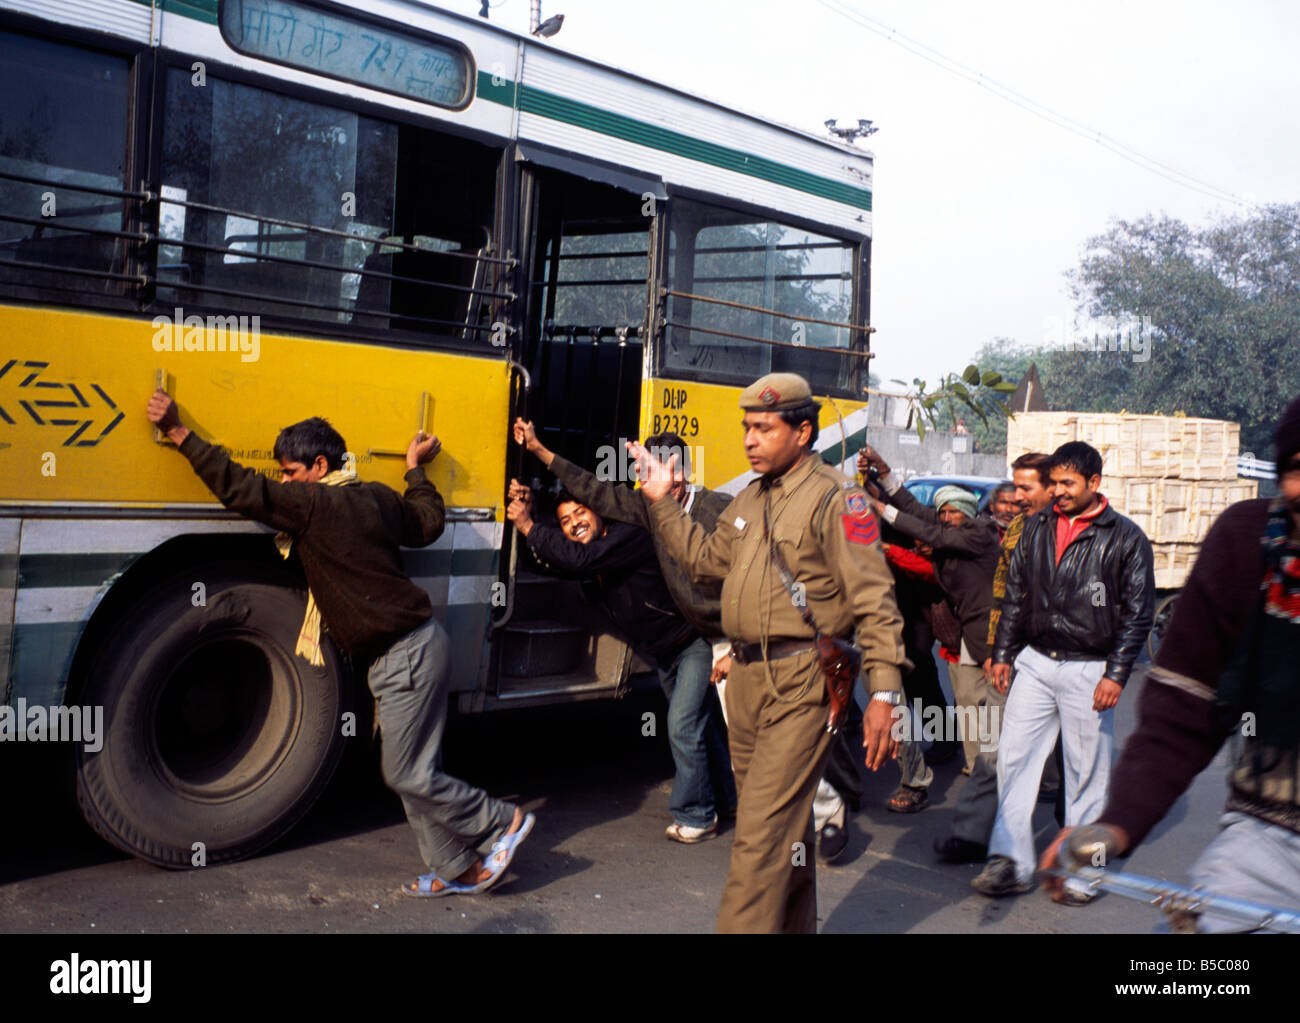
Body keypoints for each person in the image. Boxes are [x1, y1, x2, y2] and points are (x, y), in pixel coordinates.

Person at [144, 390, 533, 898]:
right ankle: (456, 868)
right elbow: (426, 520)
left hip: (406, 655)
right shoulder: (373, 496)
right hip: (410, 650)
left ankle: (501, 821)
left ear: (318, 466)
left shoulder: (314, 505)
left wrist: (178, 431)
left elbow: (241, 488)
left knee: (404, 772)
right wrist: (416, 470)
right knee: (414, 769)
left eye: (289, 472)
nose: (284, 482)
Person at [630, 372, 908, 934]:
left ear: (803, 431)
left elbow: (875, 598)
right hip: (749, 679)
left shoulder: (840, 498)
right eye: (746, 428)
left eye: (764, 428)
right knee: (786, 833)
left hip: (803, 681)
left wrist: (884, 692)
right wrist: (662, 503)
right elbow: (705, 561)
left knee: (758, 837)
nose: (750, 440)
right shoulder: (749, 499)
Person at [1042, 394, 1300, 930]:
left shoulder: (1126, 538)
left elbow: (1135, 613)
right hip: (1266, 846)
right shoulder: (1247, 543)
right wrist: (1115, 827)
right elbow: (1185, 709)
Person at [509, 420, 736, 841]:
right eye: (648, 469)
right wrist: (539, 451)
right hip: (665, 650)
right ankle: (727, 802)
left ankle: (697, 815)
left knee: (683, 725)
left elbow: (752, 570)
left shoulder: (706, 511)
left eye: (666, 469)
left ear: (684, 471)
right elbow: (589, 492)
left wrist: (735, 644)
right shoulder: (645, 510)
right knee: (700, 725)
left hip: (701, 638)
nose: (656, 478)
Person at [976, 440, 1154, 901]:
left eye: (1067, 483)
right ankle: (1011, 863)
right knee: (1013, 760)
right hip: (1034, 663)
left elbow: (1138, 613)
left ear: (1094, 483)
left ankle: (1083, 875)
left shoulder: (1125, 538)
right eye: (1053, 482)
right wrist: (1003, 653)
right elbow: (1015, 594)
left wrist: (1116, 673)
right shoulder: (1034, 528)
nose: (1058, 491)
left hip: (1090, 670)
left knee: (1085, 776)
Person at [934, 452, 1057, 863]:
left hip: (1073, 661)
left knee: (1076, 762)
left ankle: (1076, 849)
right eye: (1014, 487)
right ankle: (970, 835)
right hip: (1016, 656)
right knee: (991, 746)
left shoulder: (1100, 532)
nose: (1015, 498)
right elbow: (1001, 597)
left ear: (1052, 486)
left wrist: (1111, 668)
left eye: (1026, 488)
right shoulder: (1019, 529)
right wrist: (996, 651)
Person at [859, 447, 1002, 777]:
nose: (946, 516)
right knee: (967, 700)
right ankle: (976, 764)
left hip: (974, 629)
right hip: (958, 630)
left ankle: (987, 765)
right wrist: (883, 475)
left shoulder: (974, 534)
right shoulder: (942, 527)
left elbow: (924, 540)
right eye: (943, 511)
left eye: (954, 511)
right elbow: (913, 510)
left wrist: (884, 525)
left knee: (978, 700)